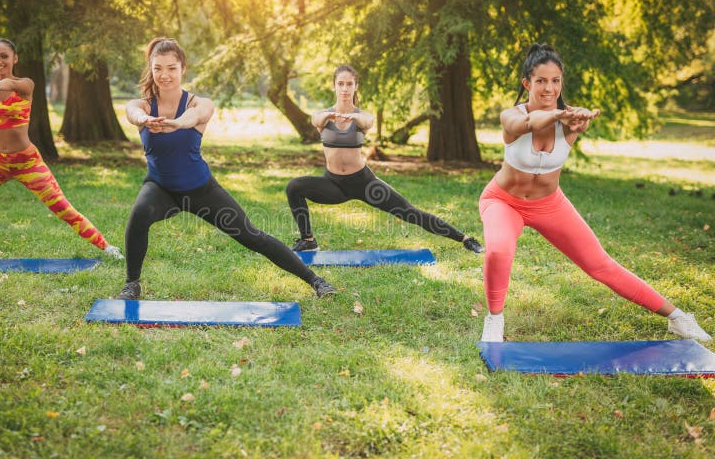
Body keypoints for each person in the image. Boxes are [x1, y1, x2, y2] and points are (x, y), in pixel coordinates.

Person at [478, 43, 710, 342]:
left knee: (600, 264)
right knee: (498, 250)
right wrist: (559, 116)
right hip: (503, 201)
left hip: (549, 204)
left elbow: (572, 123)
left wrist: (575, 121)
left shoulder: (569, 120)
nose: (549, 88)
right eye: (541, 81)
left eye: (555, 81)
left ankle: (678, 318)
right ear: (527, 83)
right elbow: (530, 122)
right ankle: (495, 319)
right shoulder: (511, 116)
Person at [116, 37, 336, 299]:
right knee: (139, 215)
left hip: (201, 190)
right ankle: (132, 284)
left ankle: (316, 281)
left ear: (183, 69)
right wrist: (145, 119)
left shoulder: (199, 103)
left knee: (252, 236)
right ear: (151, 69)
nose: (165, 75)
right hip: (160, 188)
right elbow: (132, 112)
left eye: (171, 68)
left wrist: (176, 124)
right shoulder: (143, 105)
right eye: (158, 68)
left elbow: (195, 117)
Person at [0, 38, 122, 260]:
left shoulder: (25, 84)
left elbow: (9, 85)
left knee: (63, 208)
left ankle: (107, 247)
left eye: (4, 56)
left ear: (15, 58)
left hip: (27, 162)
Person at [285, 65, 484, 254]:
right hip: (333, 185)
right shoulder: (323, 116)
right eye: (340, 84)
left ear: (356, 87)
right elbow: (316, 121)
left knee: (408, 212)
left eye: (349, 84)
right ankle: (308, 241)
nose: (345, 88)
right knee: (294, 186)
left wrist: (352, 118)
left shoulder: (363, 116)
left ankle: (465, 239)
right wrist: (331, 115)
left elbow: (367, 122)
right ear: (334, 85)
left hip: (363, 183)